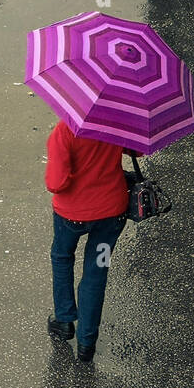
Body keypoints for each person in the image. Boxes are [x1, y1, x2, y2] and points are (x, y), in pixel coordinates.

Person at [45, 119, 128, 361]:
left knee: (62, 256)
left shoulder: (65, 130)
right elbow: (138, 150)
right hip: (111, 214)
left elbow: (56, 183)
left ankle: (64, 319)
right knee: (96, 271)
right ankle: (86, 343)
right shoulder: (118, 121)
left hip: (71, 215)